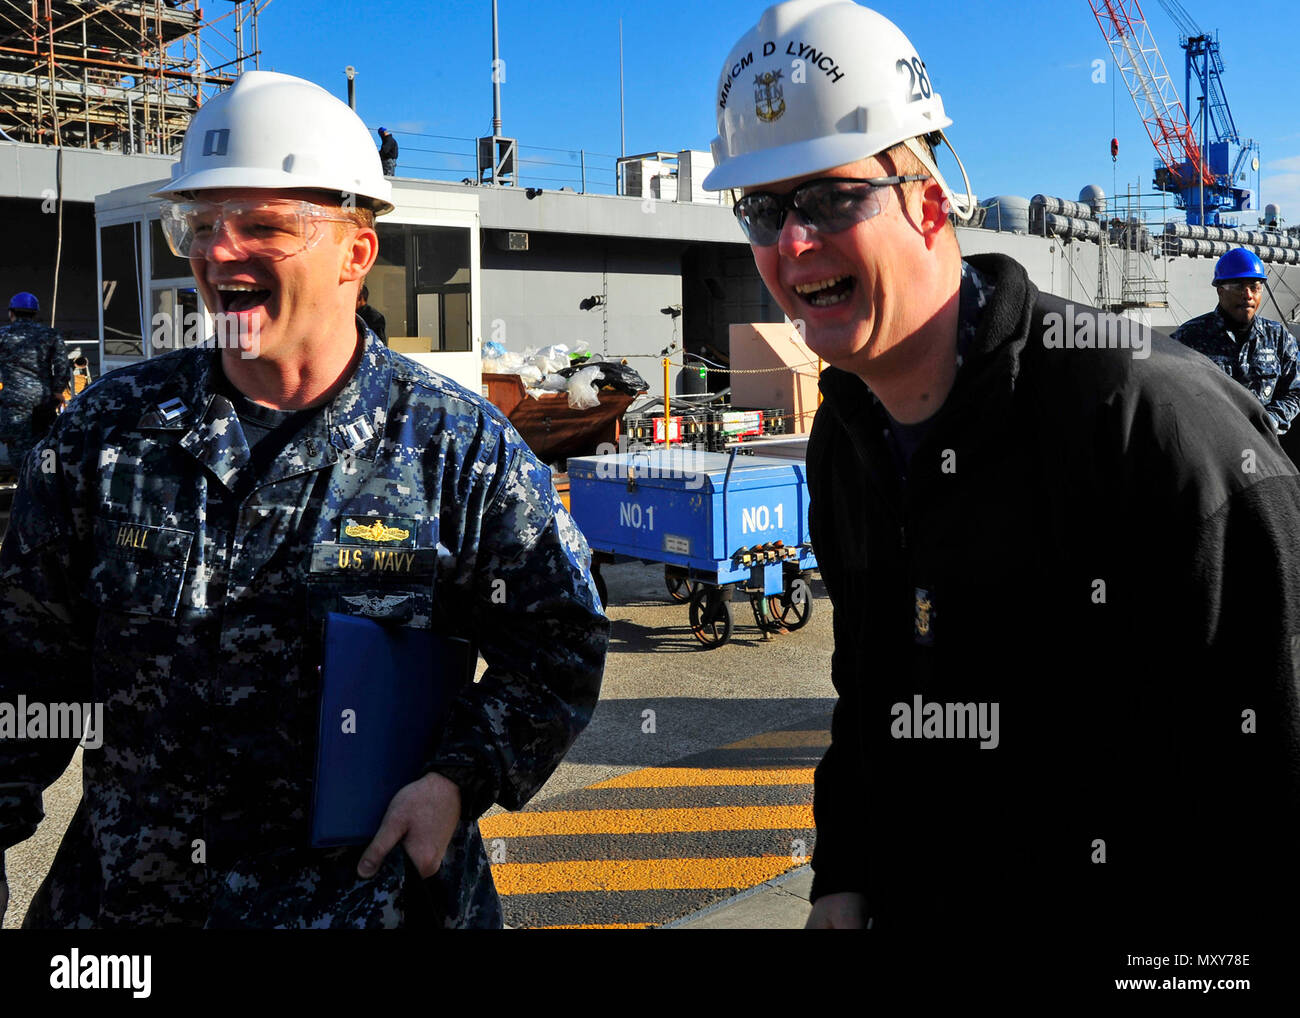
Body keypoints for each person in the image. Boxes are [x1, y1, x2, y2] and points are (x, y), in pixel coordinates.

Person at [704, 0, 1300, 934]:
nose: (792, 243)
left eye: (828, 197)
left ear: (930, 201)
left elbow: (1276, 783)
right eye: (763, 208)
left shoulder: (1154, 428)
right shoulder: (847, 441)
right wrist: (845, 875)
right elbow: (869, 696)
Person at [0, 69, 607, 929]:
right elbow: (26, 664)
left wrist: (457, 780)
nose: (217, 253)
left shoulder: (455, 449)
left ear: (356, 252)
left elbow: (558, 642)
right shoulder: (104, 437)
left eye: (262, 227)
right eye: (201, 225)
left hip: (373, 905)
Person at [1171, 247, 1300, 435]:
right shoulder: (1189, 338)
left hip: (1263, 448)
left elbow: (1296, 391)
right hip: (1210, 447)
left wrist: (1269, 420)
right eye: (1239, 286)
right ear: (1220, 290)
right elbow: (1170, 394)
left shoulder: (1278, 337)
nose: (1248, 295)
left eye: (1255, 287)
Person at [0, 292, 71, 469]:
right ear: (35, 313)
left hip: (14, 401)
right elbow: (62, 365)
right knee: (46, 446)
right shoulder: (50, 334)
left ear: (11, 313)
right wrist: (57, 390)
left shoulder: (3, 334)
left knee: (18, 448)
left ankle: (24, 486)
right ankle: (46, 486)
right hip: (44, 400)